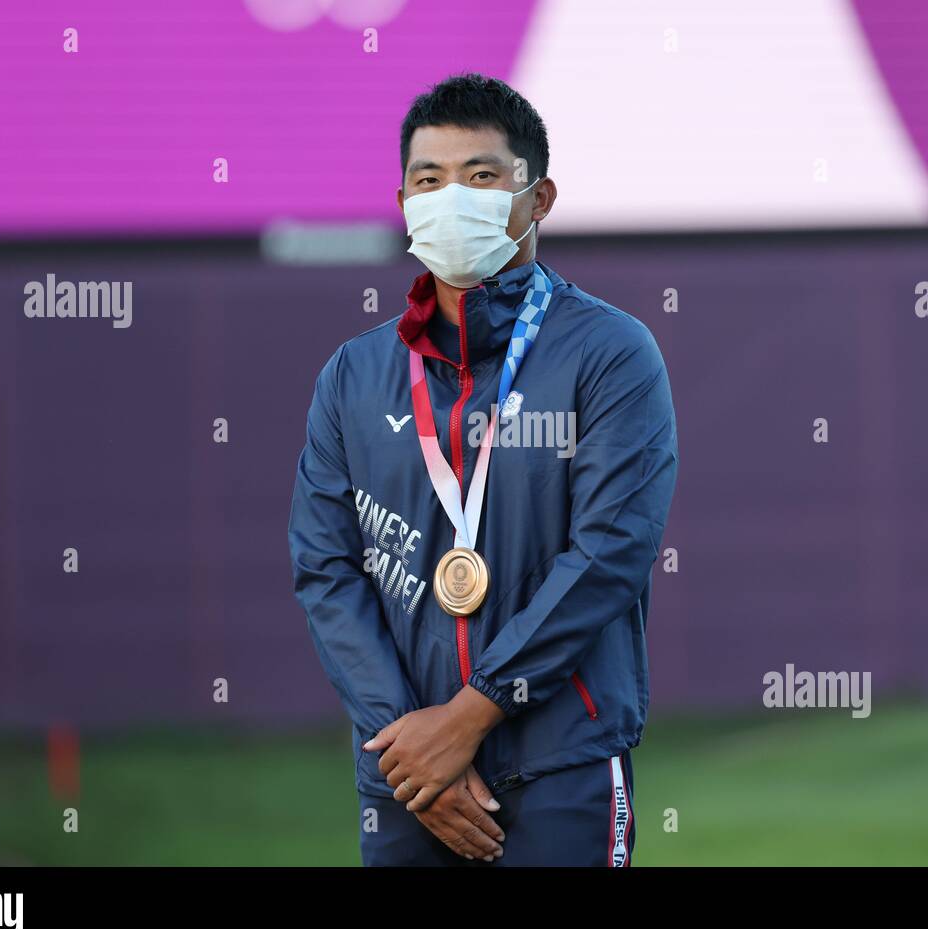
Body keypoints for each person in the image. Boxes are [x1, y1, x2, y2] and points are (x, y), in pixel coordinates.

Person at [289, 73, 677, 866]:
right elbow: (327, 570)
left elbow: (609, 555)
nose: (451, 197)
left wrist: (467, 719)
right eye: (429, 181)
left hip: (560, 764)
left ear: (538, 199)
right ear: (403, 205)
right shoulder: (354, 376)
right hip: (404, 779)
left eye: (482, 176)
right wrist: (412, 745)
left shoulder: (610, 353)